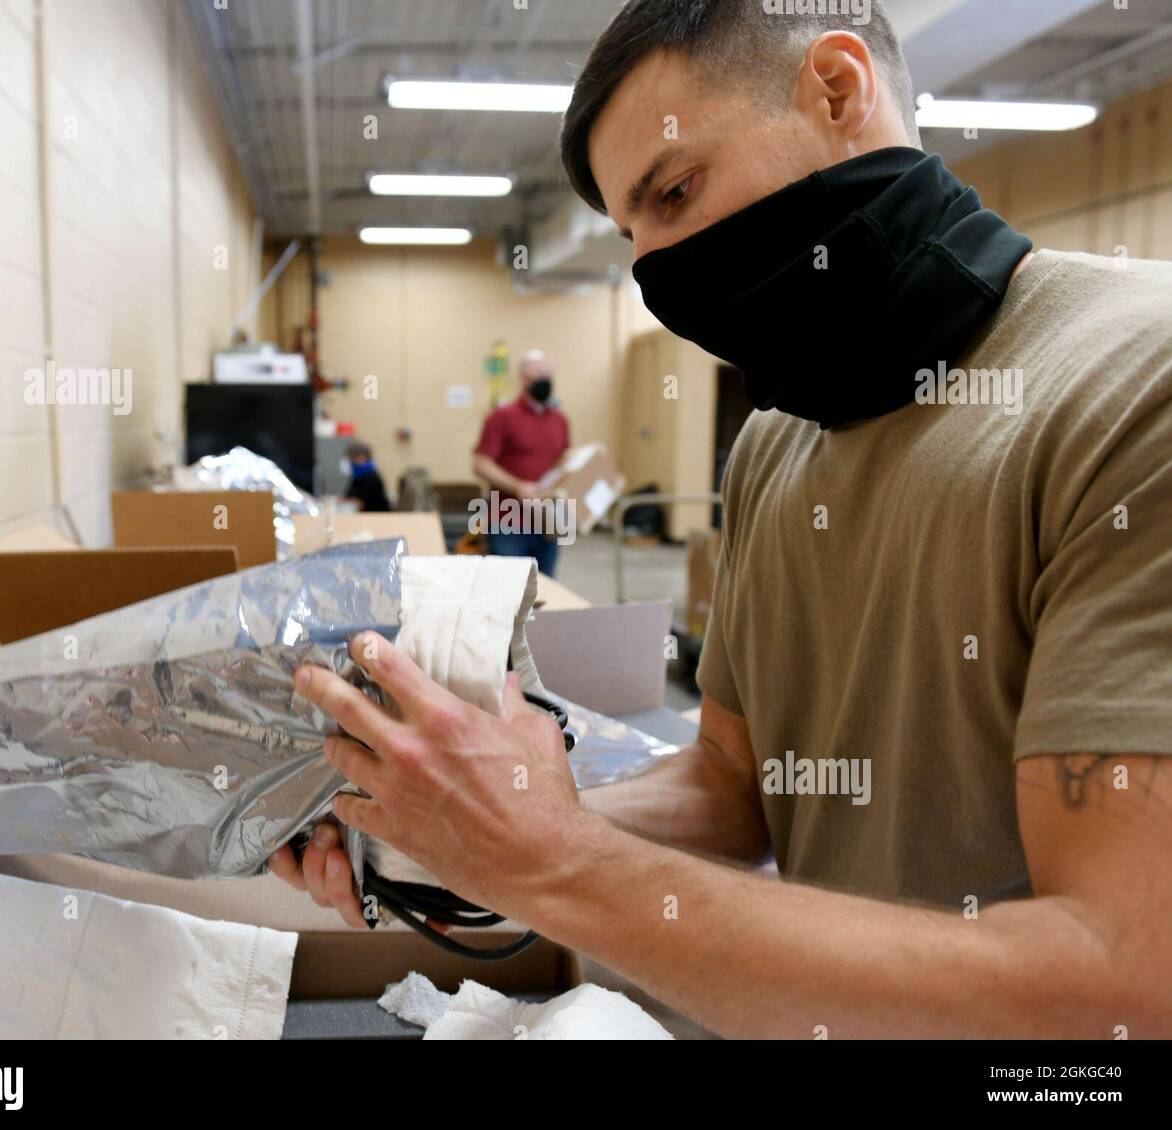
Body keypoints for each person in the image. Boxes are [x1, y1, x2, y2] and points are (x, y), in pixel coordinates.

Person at [270, 0, 1172, 1037]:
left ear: (837, 89)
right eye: (634, 231)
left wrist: (551, 859)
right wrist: (448, 829)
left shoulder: (1130, 387)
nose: (657, 265)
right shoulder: (776, 446)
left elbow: (1118, 981)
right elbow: (734, 786)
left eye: (675, 191)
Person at [470, 351, 569, 577]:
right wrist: (518, 486)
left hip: (547, 522)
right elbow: (481, 464)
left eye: (549, 375)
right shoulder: (501, 417)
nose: (545, 381)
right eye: (539, 375)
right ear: (523, 378)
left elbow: (563, 461)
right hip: (508, 522)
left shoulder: (560, 420)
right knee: (510, 588)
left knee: (547, 588)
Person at [342, 442, 390, 513]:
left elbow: (361, 503)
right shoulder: (358, 475)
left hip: (376, 514)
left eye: (352, 459)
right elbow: (349, 494)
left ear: (361, 457)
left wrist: (348, 501)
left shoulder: (371, 476)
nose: (350, 462)